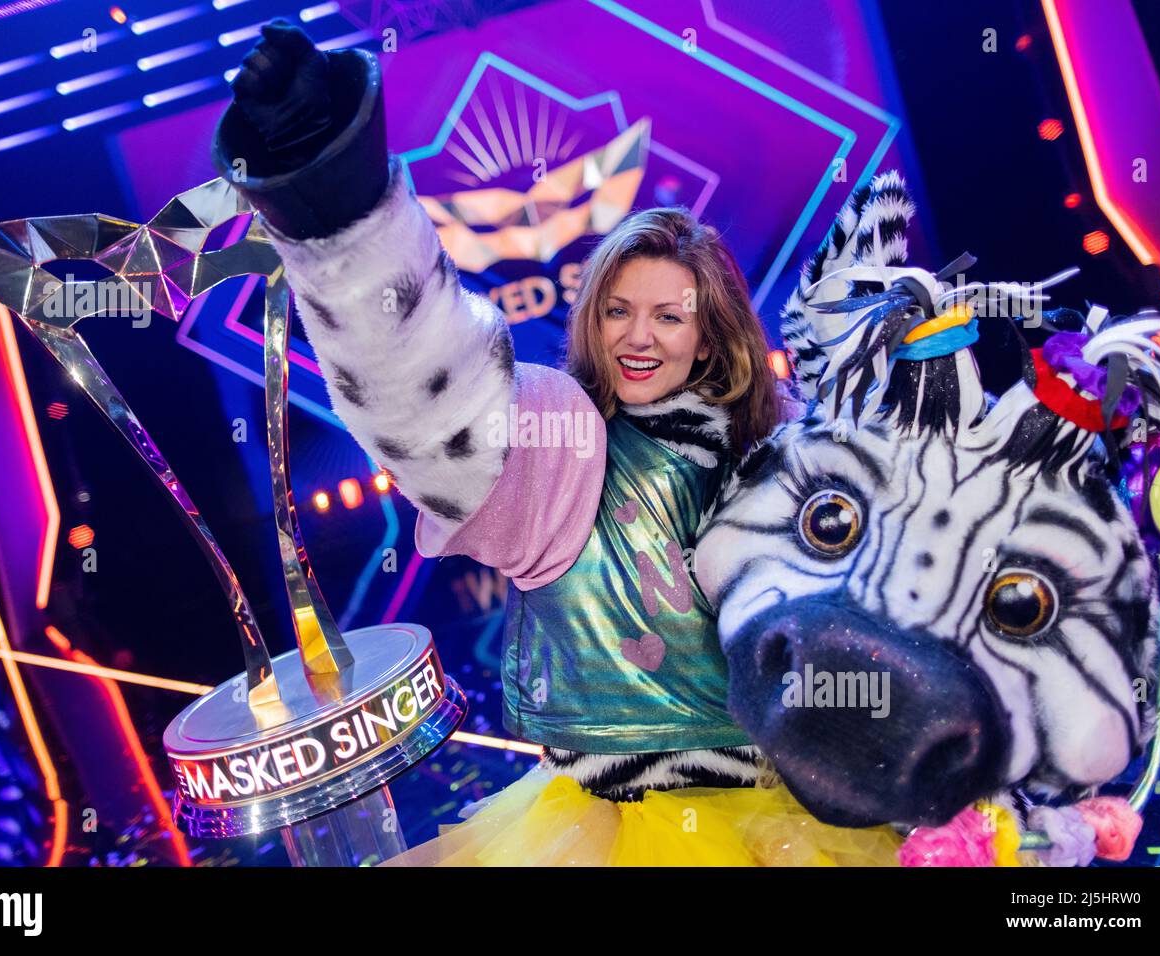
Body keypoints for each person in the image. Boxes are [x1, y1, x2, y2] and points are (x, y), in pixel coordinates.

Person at [214, 20, 901, 864]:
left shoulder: (803, 448)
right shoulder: (564, 446)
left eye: (668, 315)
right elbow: (426, 386)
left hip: (815, 817)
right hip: (620, 828)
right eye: (618, 311)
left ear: (714, 325)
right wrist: (337, 201)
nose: (638, 338)